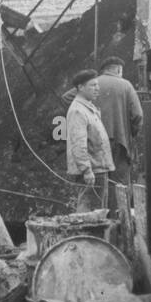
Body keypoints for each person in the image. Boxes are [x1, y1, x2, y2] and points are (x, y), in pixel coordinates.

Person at [92, 56, 144, 217]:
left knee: (98, 183)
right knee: (119, 183)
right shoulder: (126, 85)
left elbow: (68, 98)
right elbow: (137, 116)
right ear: (118, 70)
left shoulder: (91, 84)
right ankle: (120, 222)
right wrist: (131, 133)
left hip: (95, 141)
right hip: (119, 142)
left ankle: (99, 223)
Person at [64, 69, 115, 212]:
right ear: (80, 87)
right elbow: (78, 144)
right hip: (92, 171)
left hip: (98, 168)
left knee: (98, 212)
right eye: (93, 85)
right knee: (88, 213)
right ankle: (86, 234)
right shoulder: (78, 111)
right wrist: (86, 170)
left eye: (97, 85)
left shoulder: (88, 107)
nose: (97, 88)